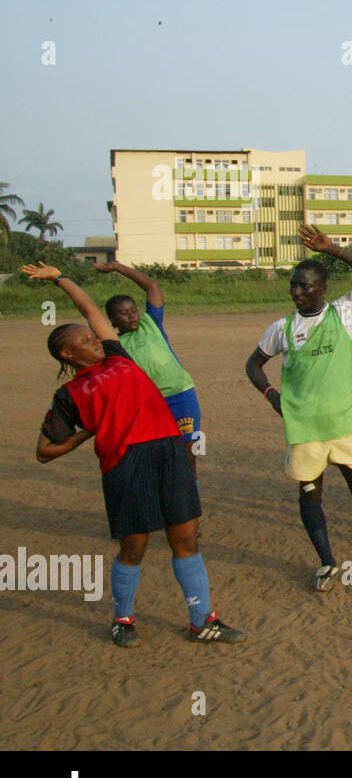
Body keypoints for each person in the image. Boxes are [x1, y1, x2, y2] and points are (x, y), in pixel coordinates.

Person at [26, 261, 243, 646]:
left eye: (94, 335)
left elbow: (90, 310)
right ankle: (123, 619)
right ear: (67, 352)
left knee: (186, 540)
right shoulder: (70, 395)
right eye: (85, 340)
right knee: (134, 546)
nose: (95, 339)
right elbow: (45, 451)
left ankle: (201, 620)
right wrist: (86, 433)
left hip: (169, 451)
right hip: (126, 463)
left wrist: (60, 279)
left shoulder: (118, 356)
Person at [245, 225, 352, 595]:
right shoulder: (282, 328)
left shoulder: (343, 313)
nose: (297, 292)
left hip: (344, 428)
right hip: (305, 431)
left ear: (322, 287)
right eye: (294, 286)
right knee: (310, 497)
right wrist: (272, 396)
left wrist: (332, 249)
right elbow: (253, 365)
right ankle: (327, 562)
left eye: (305, 286)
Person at [95, 260, 202, 478]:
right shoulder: (114, 344)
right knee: (158, 453)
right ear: (112, 320)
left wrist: (117, 267)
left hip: (180, 394)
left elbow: (152, 286)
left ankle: (192, 491)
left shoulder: (150, 323)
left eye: (133, 310)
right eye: (123, 313)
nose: (131, 316)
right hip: (148, 402)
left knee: (189, 449)